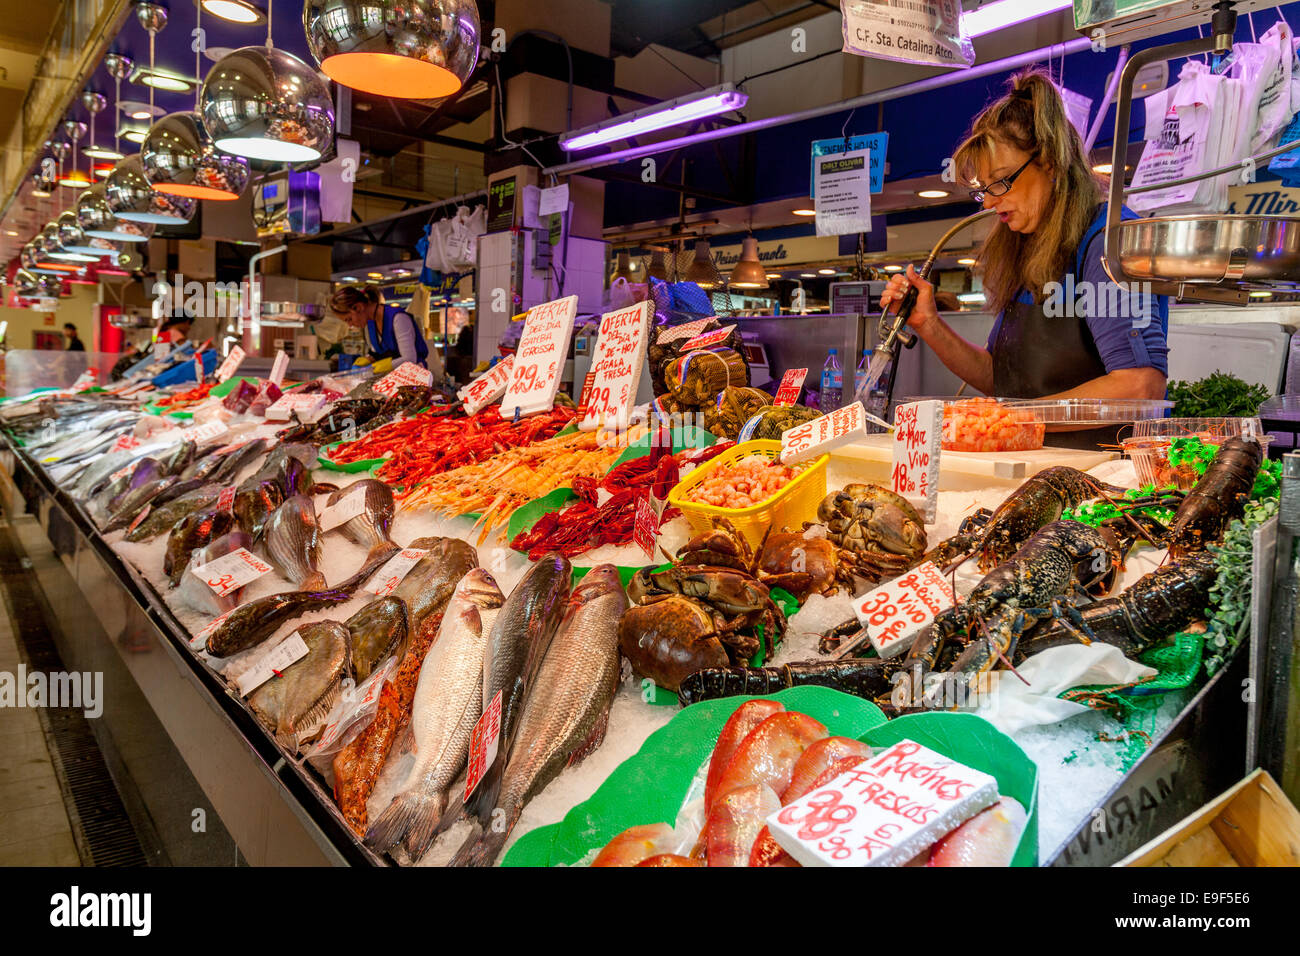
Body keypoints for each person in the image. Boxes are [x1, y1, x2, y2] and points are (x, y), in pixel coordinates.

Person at [881, 71, 1169, 444]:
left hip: (1101, 477)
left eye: (1000, 181)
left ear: (1049, 163)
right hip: (1030, 463)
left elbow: (1139, 388)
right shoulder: (1028, 243)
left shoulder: (1105, 244)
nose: (989, 200)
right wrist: (929, 324)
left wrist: (1008, 421)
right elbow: (1000, 377)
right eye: (982, 189)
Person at [328, 284, 429, 369]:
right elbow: (377, 353)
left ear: (358, 307)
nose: (350, 325)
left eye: (349, 319)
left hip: (414, 378)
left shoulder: (398, 318)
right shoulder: (370, 323)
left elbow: (410, 359)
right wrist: (368, 359)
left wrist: (382, 366)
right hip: (392, 379)